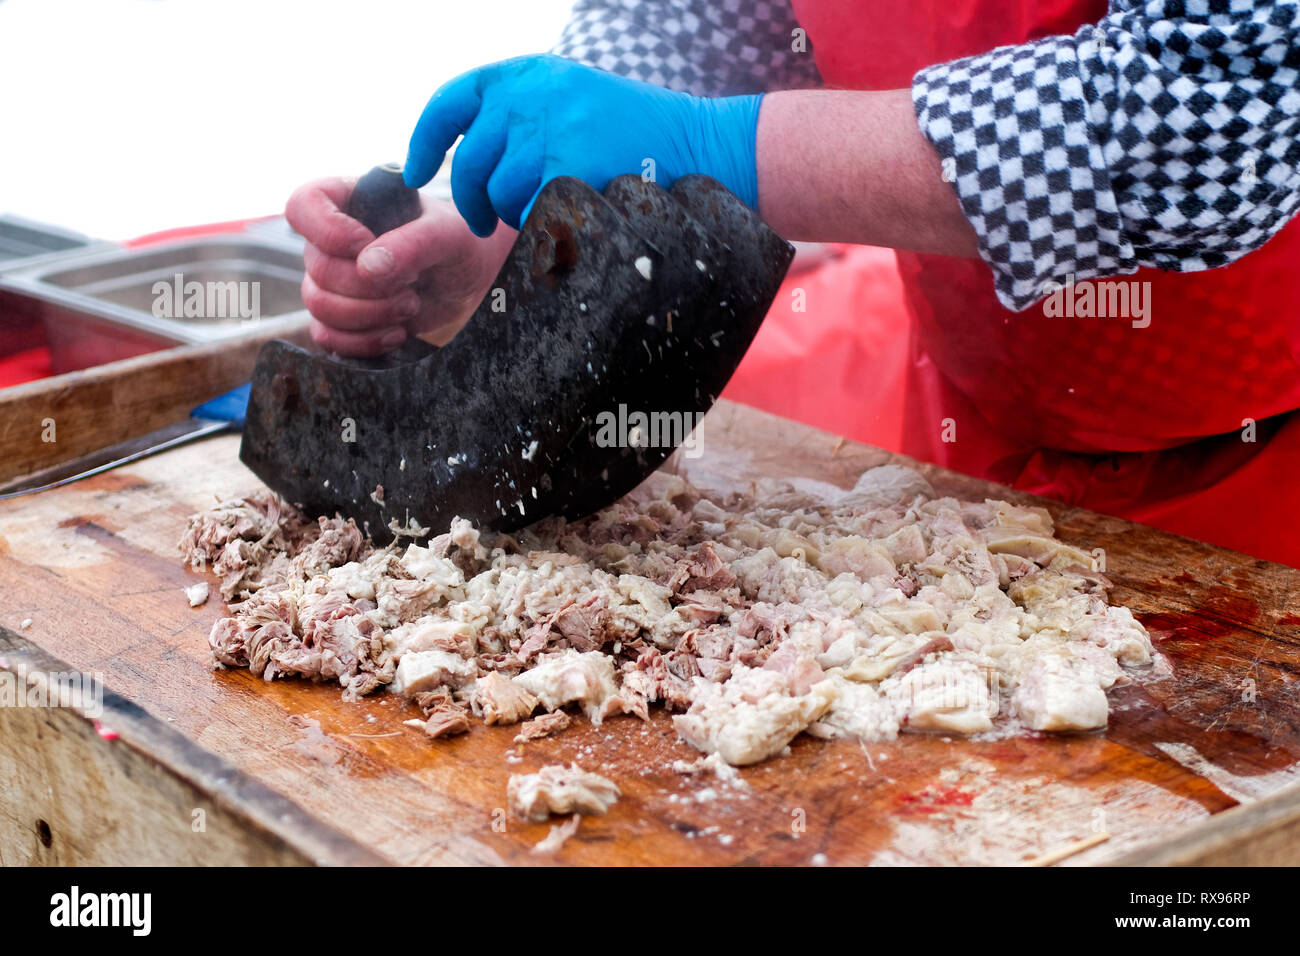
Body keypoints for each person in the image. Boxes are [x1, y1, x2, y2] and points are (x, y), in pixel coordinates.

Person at [285, 0, 1300, 566]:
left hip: (1265, 458)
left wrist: (712, 147)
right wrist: (525, 222)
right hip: (974, 424)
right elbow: (706, 26)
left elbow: (1209, 106)